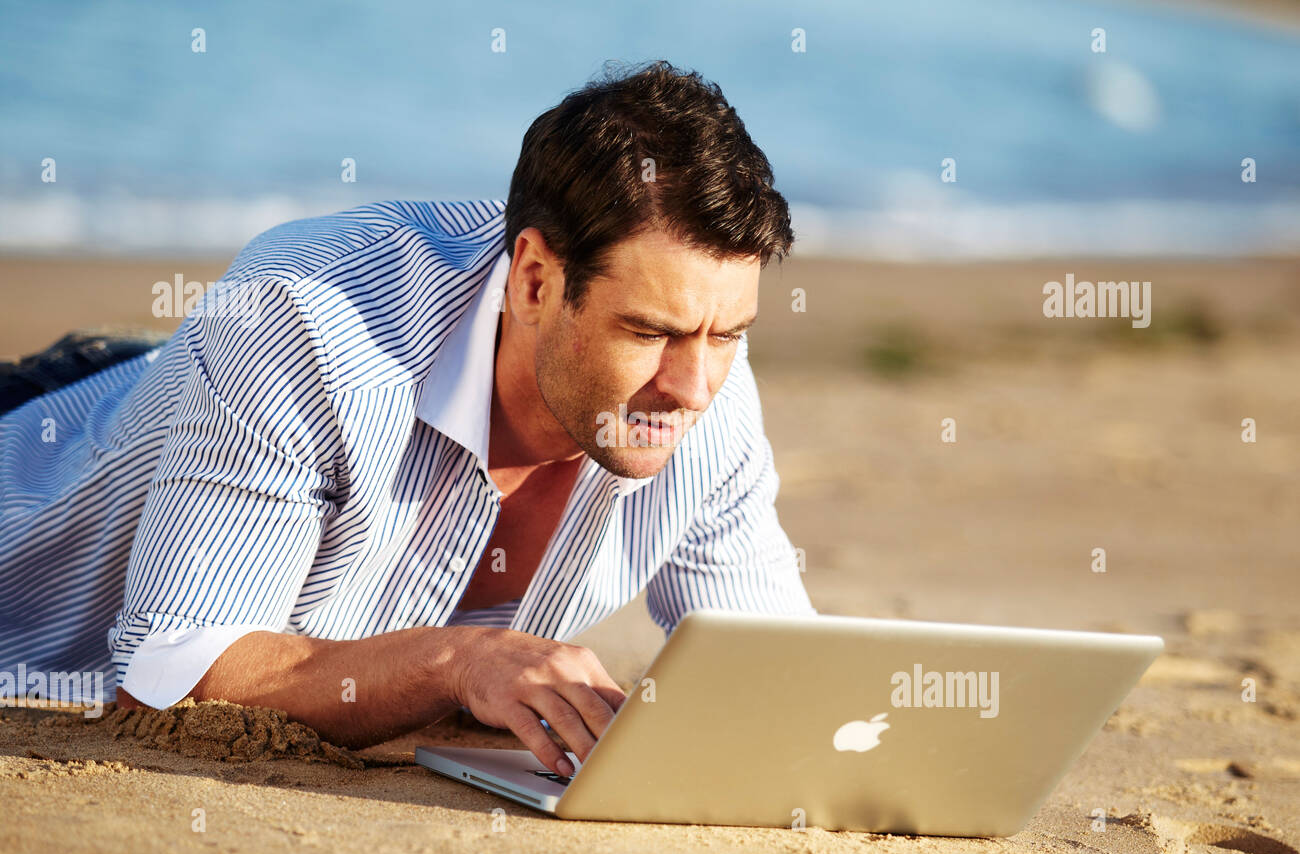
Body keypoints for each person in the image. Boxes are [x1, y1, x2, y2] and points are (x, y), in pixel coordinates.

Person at [0, 60, 816, 778]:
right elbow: (166, 679)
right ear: (533, 280)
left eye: (728, 335)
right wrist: (461, 661)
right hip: (42, 448)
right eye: (650, 332)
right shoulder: (300, 320)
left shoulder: (704, 390)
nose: (695, 385)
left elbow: (780, 668)